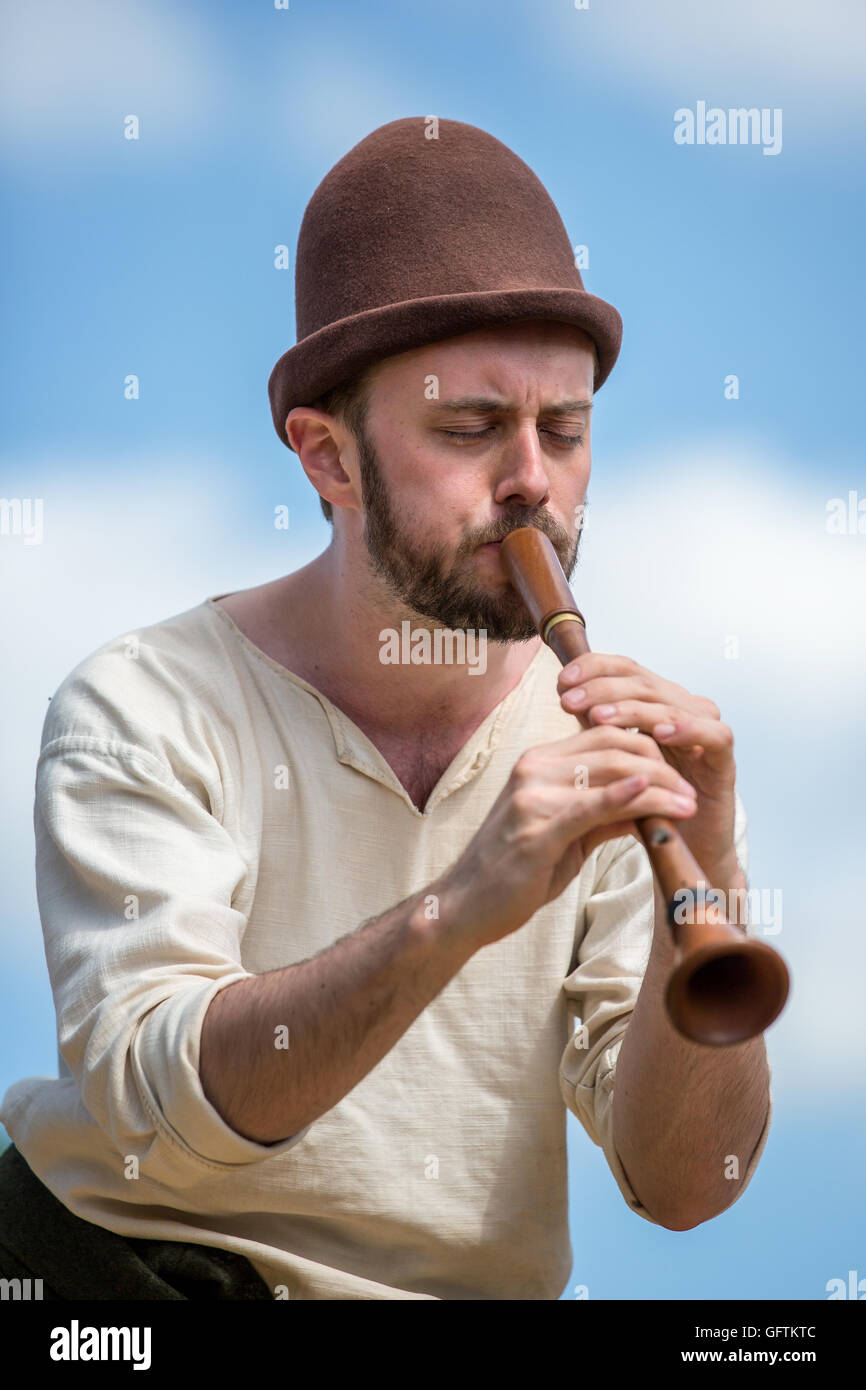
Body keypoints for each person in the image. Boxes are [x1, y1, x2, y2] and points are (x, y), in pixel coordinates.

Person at [0, 117, 772, 1301]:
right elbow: (159, 1112)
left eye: (563, 430)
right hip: (114, 1290)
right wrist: (457, 908)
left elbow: (683, 1187)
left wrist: (705, 877)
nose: (531, 479)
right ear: (328, 459)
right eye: (468, 428)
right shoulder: (138, 704)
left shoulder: (608, 749)